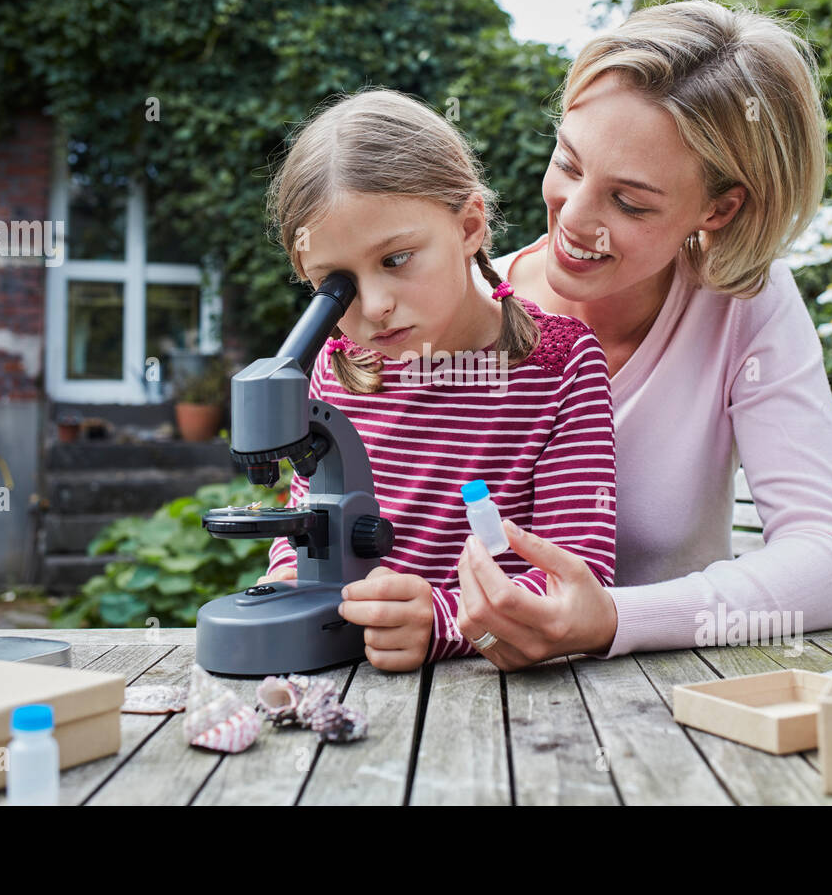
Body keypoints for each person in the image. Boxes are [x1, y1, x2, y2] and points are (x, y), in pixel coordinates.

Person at [453, 0, 832, 670]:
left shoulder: (744, 308)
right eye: (568, 163)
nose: (575, 219)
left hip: (678, 711)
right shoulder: (459, 309)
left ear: (720, 207)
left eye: (629, 201)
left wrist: (613, 619)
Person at [257, 88, 618, 671]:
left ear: (470, 225)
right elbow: (304, 532)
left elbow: (579, 581)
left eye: (396, 259)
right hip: (349, 674)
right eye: (336, 283)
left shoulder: (562, 366)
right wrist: (291, 585)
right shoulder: (335, 368)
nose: (373, 306)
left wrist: (442, 623)